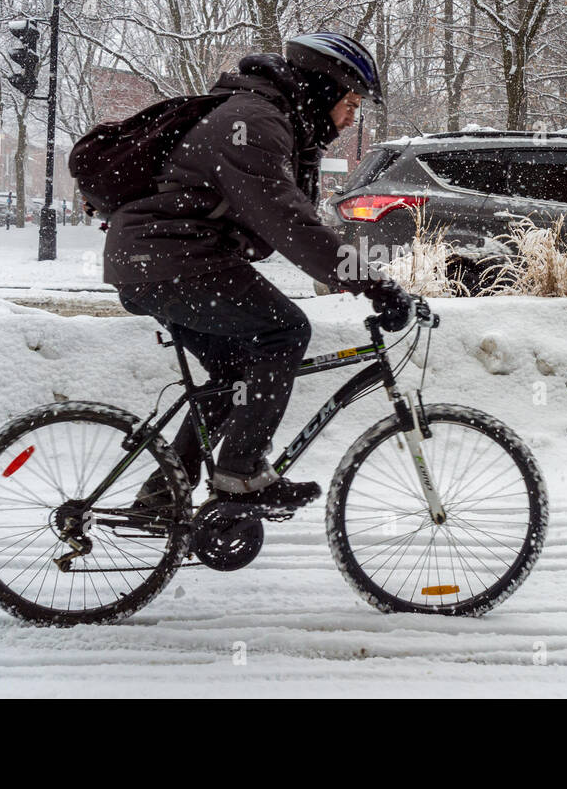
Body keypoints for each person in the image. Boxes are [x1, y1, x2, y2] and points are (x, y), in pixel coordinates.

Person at [103, 32, 412, 509]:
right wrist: (373, 282)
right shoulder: (253, 120)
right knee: (284, 331)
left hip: (164, 260)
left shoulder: (270, 117)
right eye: (350, 101)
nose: (353, 117)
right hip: (171, 260)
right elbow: (289, 222)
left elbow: (288, 217)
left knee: (234, 371)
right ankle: (242, 473)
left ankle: (165, 493)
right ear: (323, 88)